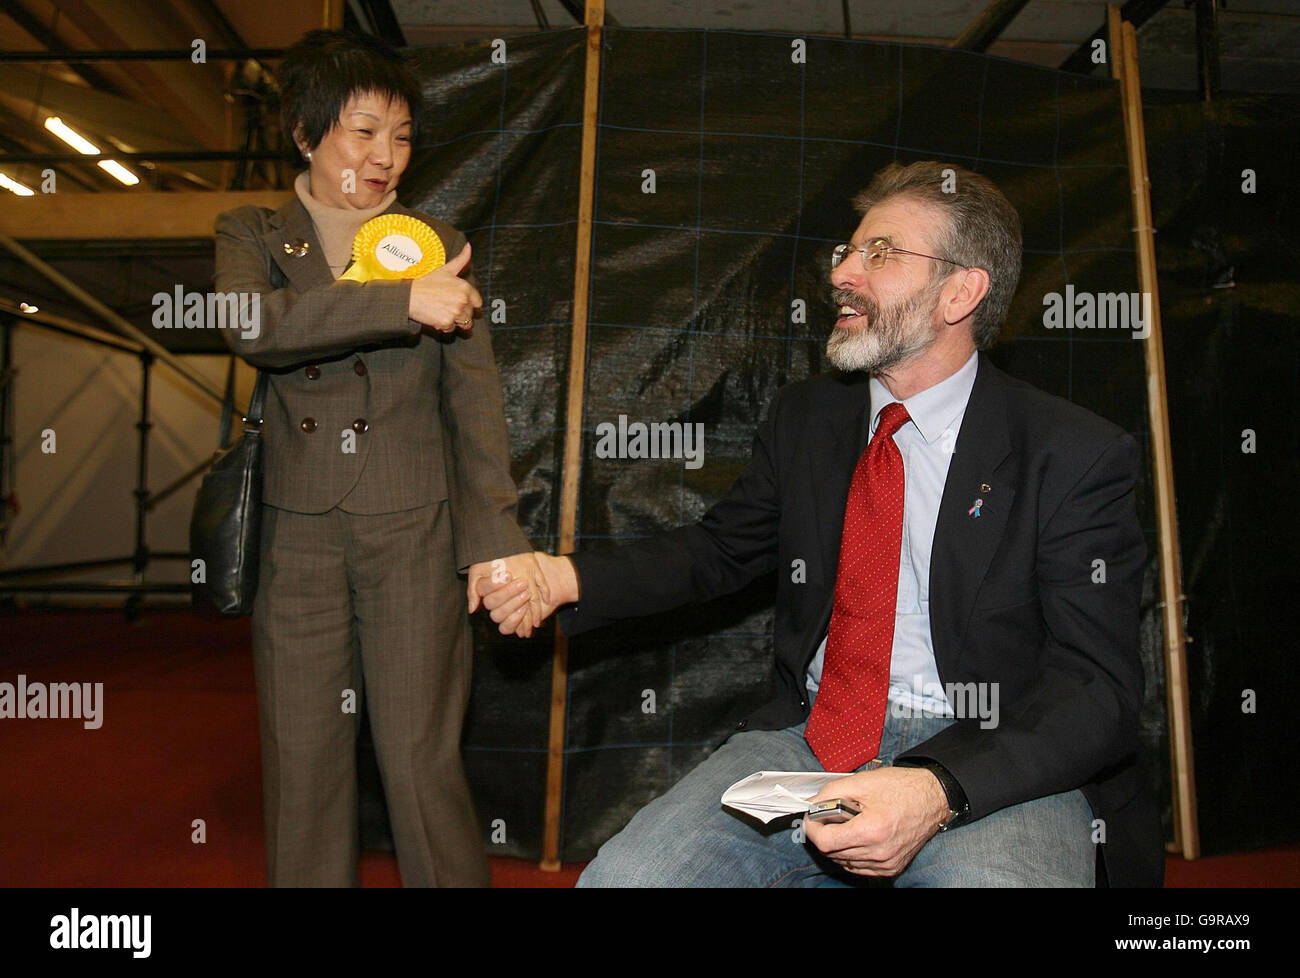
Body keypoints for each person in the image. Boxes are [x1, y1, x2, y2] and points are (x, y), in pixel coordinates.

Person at [480, 160, 1164, 887]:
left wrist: (936, 788)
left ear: (960, 292)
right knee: (623, 881)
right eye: (846, 251)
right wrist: (565, 576)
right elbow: (720, 550)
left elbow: (1099, 687)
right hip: (814, 738)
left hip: (995, 756)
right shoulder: (811, 417)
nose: (843, 273)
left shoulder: (1074, 453)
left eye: (882, 253)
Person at [213, 29, 548, 887]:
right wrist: (403, 300)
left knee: (421, 758)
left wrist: (494, 540)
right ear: (306, 132)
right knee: (302, 761)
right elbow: (255, 330)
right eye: (365, 132)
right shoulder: (251, 230)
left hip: (416, 537)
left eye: (401, 137)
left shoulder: (433, 239)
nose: (386, 156)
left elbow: (473, 408)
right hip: (297, 538)